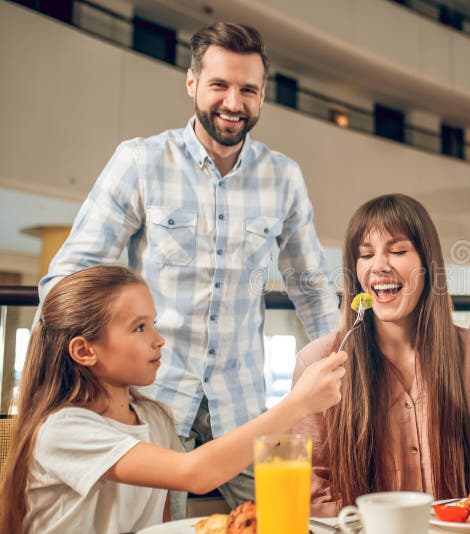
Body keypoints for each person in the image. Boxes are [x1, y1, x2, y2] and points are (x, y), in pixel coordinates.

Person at [38, 22, 340, 511]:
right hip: (152, 403)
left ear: (263, 95)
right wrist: (61, 385)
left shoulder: (283, 177)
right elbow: (68, 278)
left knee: (288, 520)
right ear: (192, 83)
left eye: (248, 90)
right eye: (219, 85)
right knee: (155, 528)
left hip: (243, 406)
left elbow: (312, 290)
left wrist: (345, 369)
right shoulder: (139, 162)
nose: (233, 103)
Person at [0, 265, 346, 533]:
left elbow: (163, 526)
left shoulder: (155, 419)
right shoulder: (64, 430)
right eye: (139, 328)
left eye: (154, 323)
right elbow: (194, 473)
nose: (159, 339)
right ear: (83, 350)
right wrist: (298, 404)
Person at [291, 194, 470, 517]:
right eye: (365, 255)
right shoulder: (319, 362)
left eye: (397, 251)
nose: (379, 265)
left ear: (427, 265)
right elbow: (313, 491)